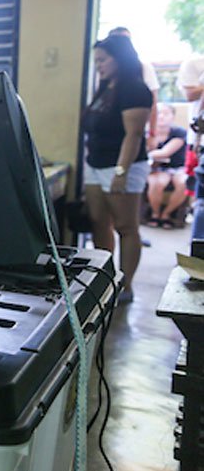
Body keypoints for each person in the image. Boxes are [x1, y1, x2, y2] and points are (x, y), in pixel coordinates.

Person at [82, 35, 153, 305]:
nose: (98, 65)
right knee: (98, 221)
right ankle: (106, 276)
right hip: (96, 164)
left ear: (119, 59)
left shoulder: (135, 89)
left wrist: (121, 172)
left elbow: (133, 135)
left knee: (125, 226)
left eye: (103, 59)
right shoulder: (104, 88)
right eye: (96, 60)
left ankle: (126, 285)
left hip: (124, 164)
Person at [107, 27, 159, 148]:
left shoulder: (143, 67)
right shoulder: (102, 66)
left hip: (134, 130)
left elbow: (153, 102)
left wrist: (152, 134)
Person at [146, 103, 188, 228]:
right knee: (157, 183)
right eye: (159, 113)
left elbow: (165, 152)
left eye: (166, 113)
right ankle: (155, 213)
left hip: (178, 167)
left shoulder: (179, 132)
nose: (162, 116)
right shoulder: (147, 132)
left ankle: (167, 214)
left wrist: (150, 153)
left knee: (183, 183)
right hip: (156, 168)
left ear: (173, 117)